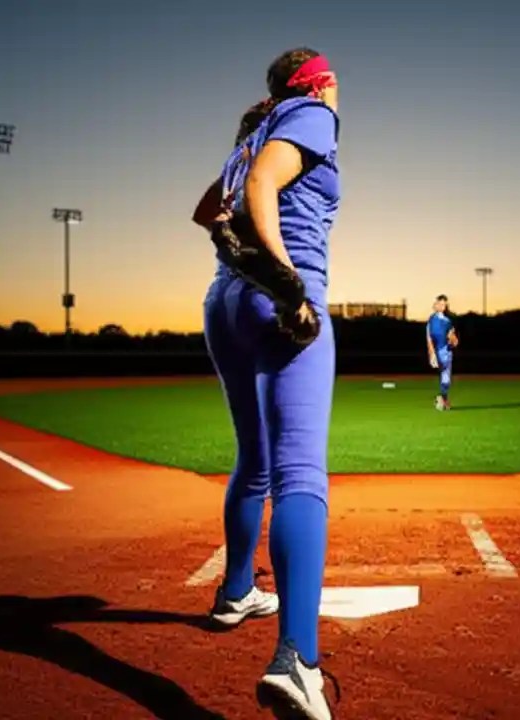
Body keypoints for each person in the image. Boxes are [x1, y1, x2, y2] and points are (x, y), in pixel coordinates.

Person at [190, 47, 341, 720]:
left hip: (223, 305)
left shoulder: (252, 131)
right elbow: (259, 188)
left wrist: (249, 265)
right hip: (276, 299)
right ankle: (297, 662)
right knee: (300, 474)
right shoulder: (311, 115)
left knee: (254, 460)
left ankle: (236, 591)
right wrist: (288, 288)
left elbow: (208, 211)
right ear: (319, 83)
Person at [426, 295, 458, 410]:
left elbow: (453, 338)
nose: (442, 306)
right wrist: (431, 352)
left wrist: (453, 341)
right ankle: (442, 399)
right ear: (435, 305)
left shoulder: (448, 321)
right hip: (437, 350)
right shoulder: (432, 320)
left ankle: (443, 398)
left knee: (446, 379)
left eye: (444, 304)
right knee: (443, 372)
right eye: (440, 304)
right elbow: (429, 337)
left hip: (446, 351)